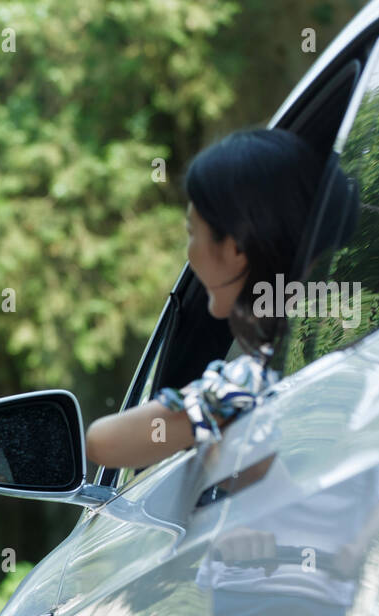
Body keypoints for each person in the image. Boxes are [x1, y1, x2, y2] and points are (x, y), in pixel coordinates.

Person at [84, 128, 332, 470]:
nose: (189, 253)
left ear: (235, 248)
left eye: (191, 233)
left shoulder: (253, 381)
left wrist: (208, 405)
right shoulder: (343, 322)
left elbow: (103, 442)